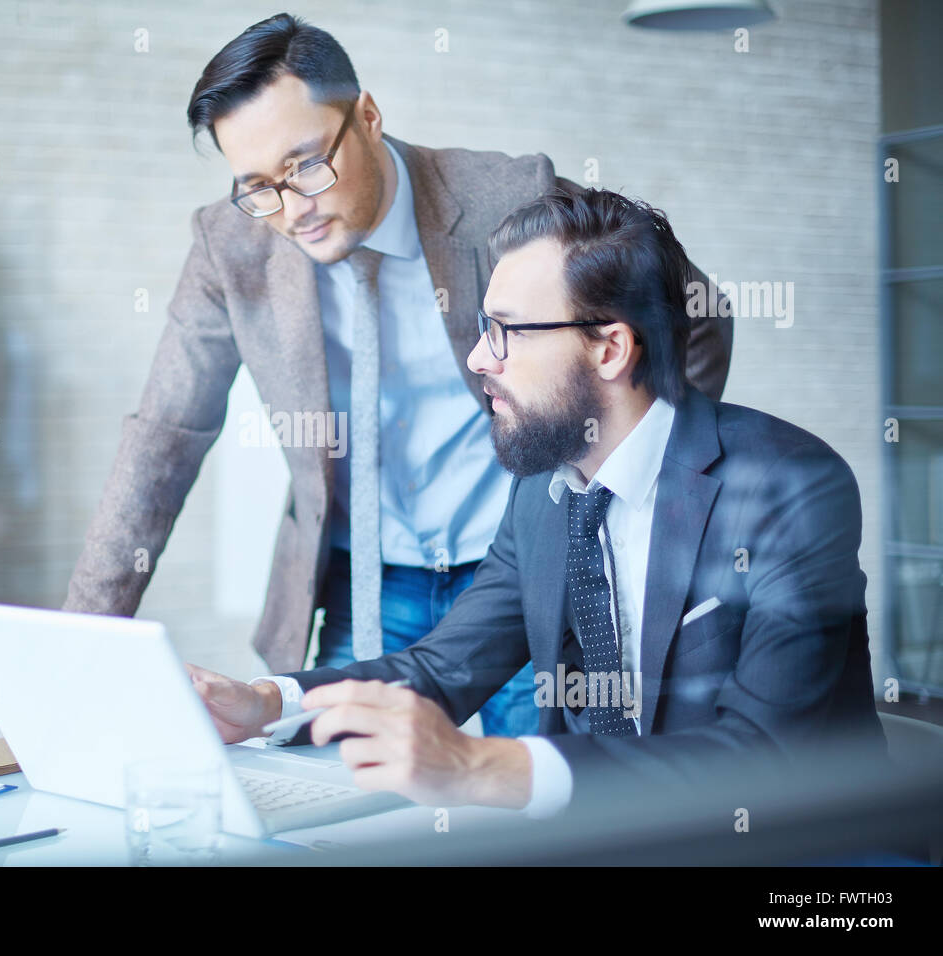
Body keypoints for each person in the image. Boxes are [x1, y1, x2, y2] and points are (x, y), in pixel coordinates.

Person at [60, 12, 732, 737]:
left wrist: (620, 472)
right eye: (258, 186)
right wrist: (76, 651)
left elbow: (695, 315)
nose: (291, 210)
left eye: (307, 166)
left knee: (534, 809)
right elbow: (164, 437)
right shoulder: (230, 246)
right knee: (346, 810)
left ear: (368, 116)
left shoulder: (507, 196)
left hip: (515, 574)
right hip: (361, 581)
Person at [186, 186, 884, 816]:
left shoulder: (788, 486)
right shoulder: (544, 495)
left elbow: (762, 757)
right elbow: (441, 668)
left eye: (507, 331)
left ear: (610, 348)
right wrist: (266, 703)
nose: (478, 360)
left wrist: (482, 765)